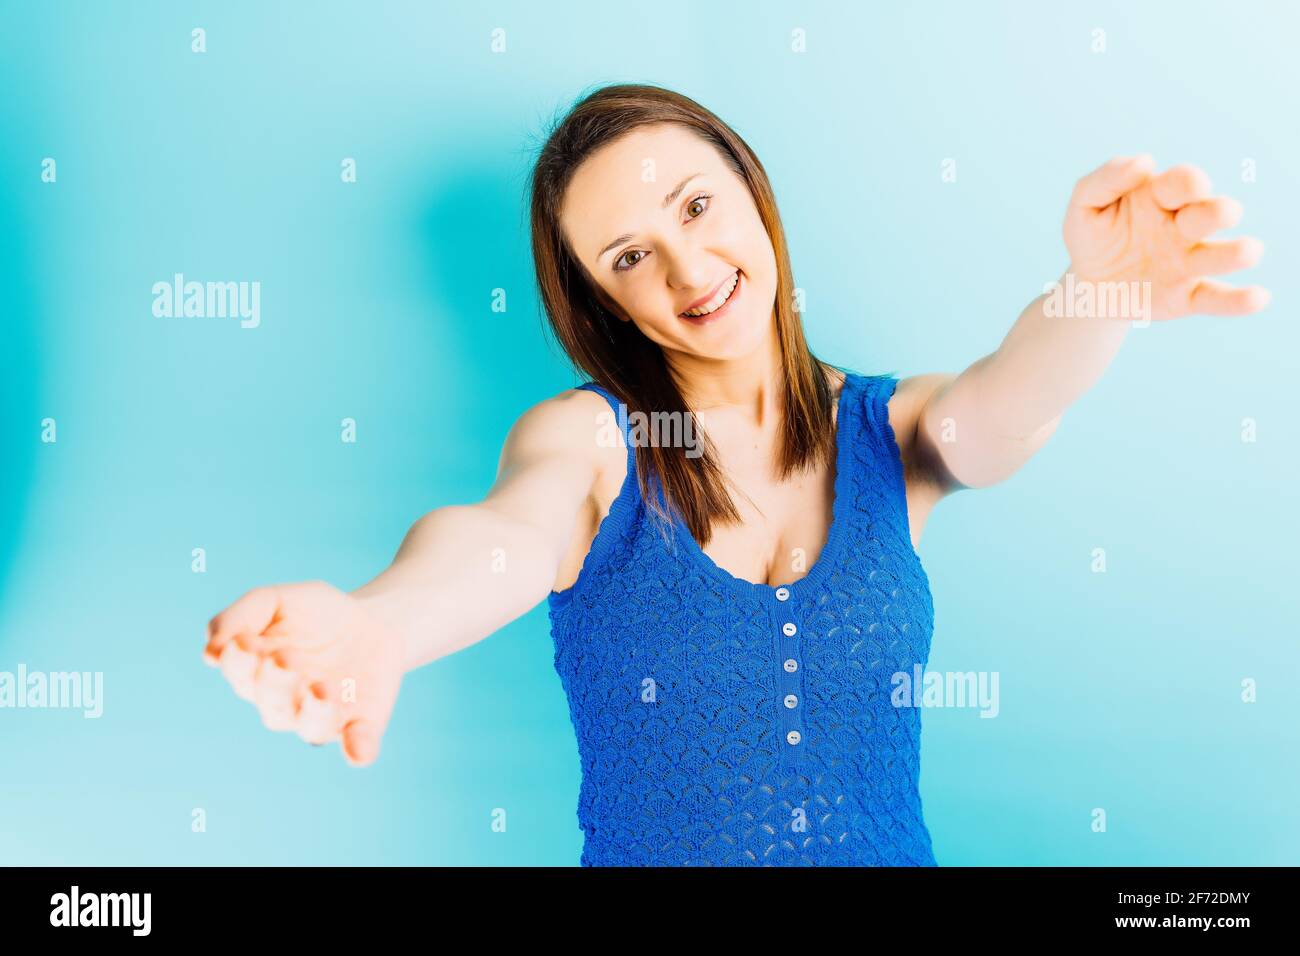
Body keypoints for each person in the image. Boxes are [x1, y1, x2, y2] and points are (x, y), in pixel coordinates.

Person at [202, 84, 1268, 865]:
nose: (684, 267)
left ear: (752, 196)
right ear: (603, 300)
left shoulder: (891, 429)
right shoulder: (590, 443)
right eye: (627, 256)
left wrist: (1099, 296)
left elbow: (1004, 408)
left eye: (696, 208)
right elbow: (504, 536)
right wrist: (382, 624)